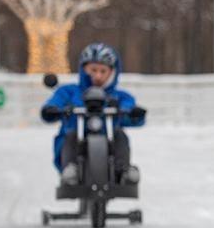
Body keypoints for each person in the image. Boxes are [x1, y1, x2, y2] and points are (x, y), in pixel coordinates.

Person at [40, 43, 145, 185]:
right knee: (70, 136)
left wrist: (131, 112)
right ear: (84, 70)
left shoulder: (119, 96)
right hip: (75, 139)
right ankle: (70, 171)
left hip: (109, 142)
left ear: (112, 72)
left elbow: (129, 107)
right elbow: (55, 102)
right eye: (93, 70)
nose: (98, 76)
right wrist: (52, 109)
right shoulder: (69, 91)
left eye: (103, 71)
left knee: (119, 135)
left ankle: (123, 171)